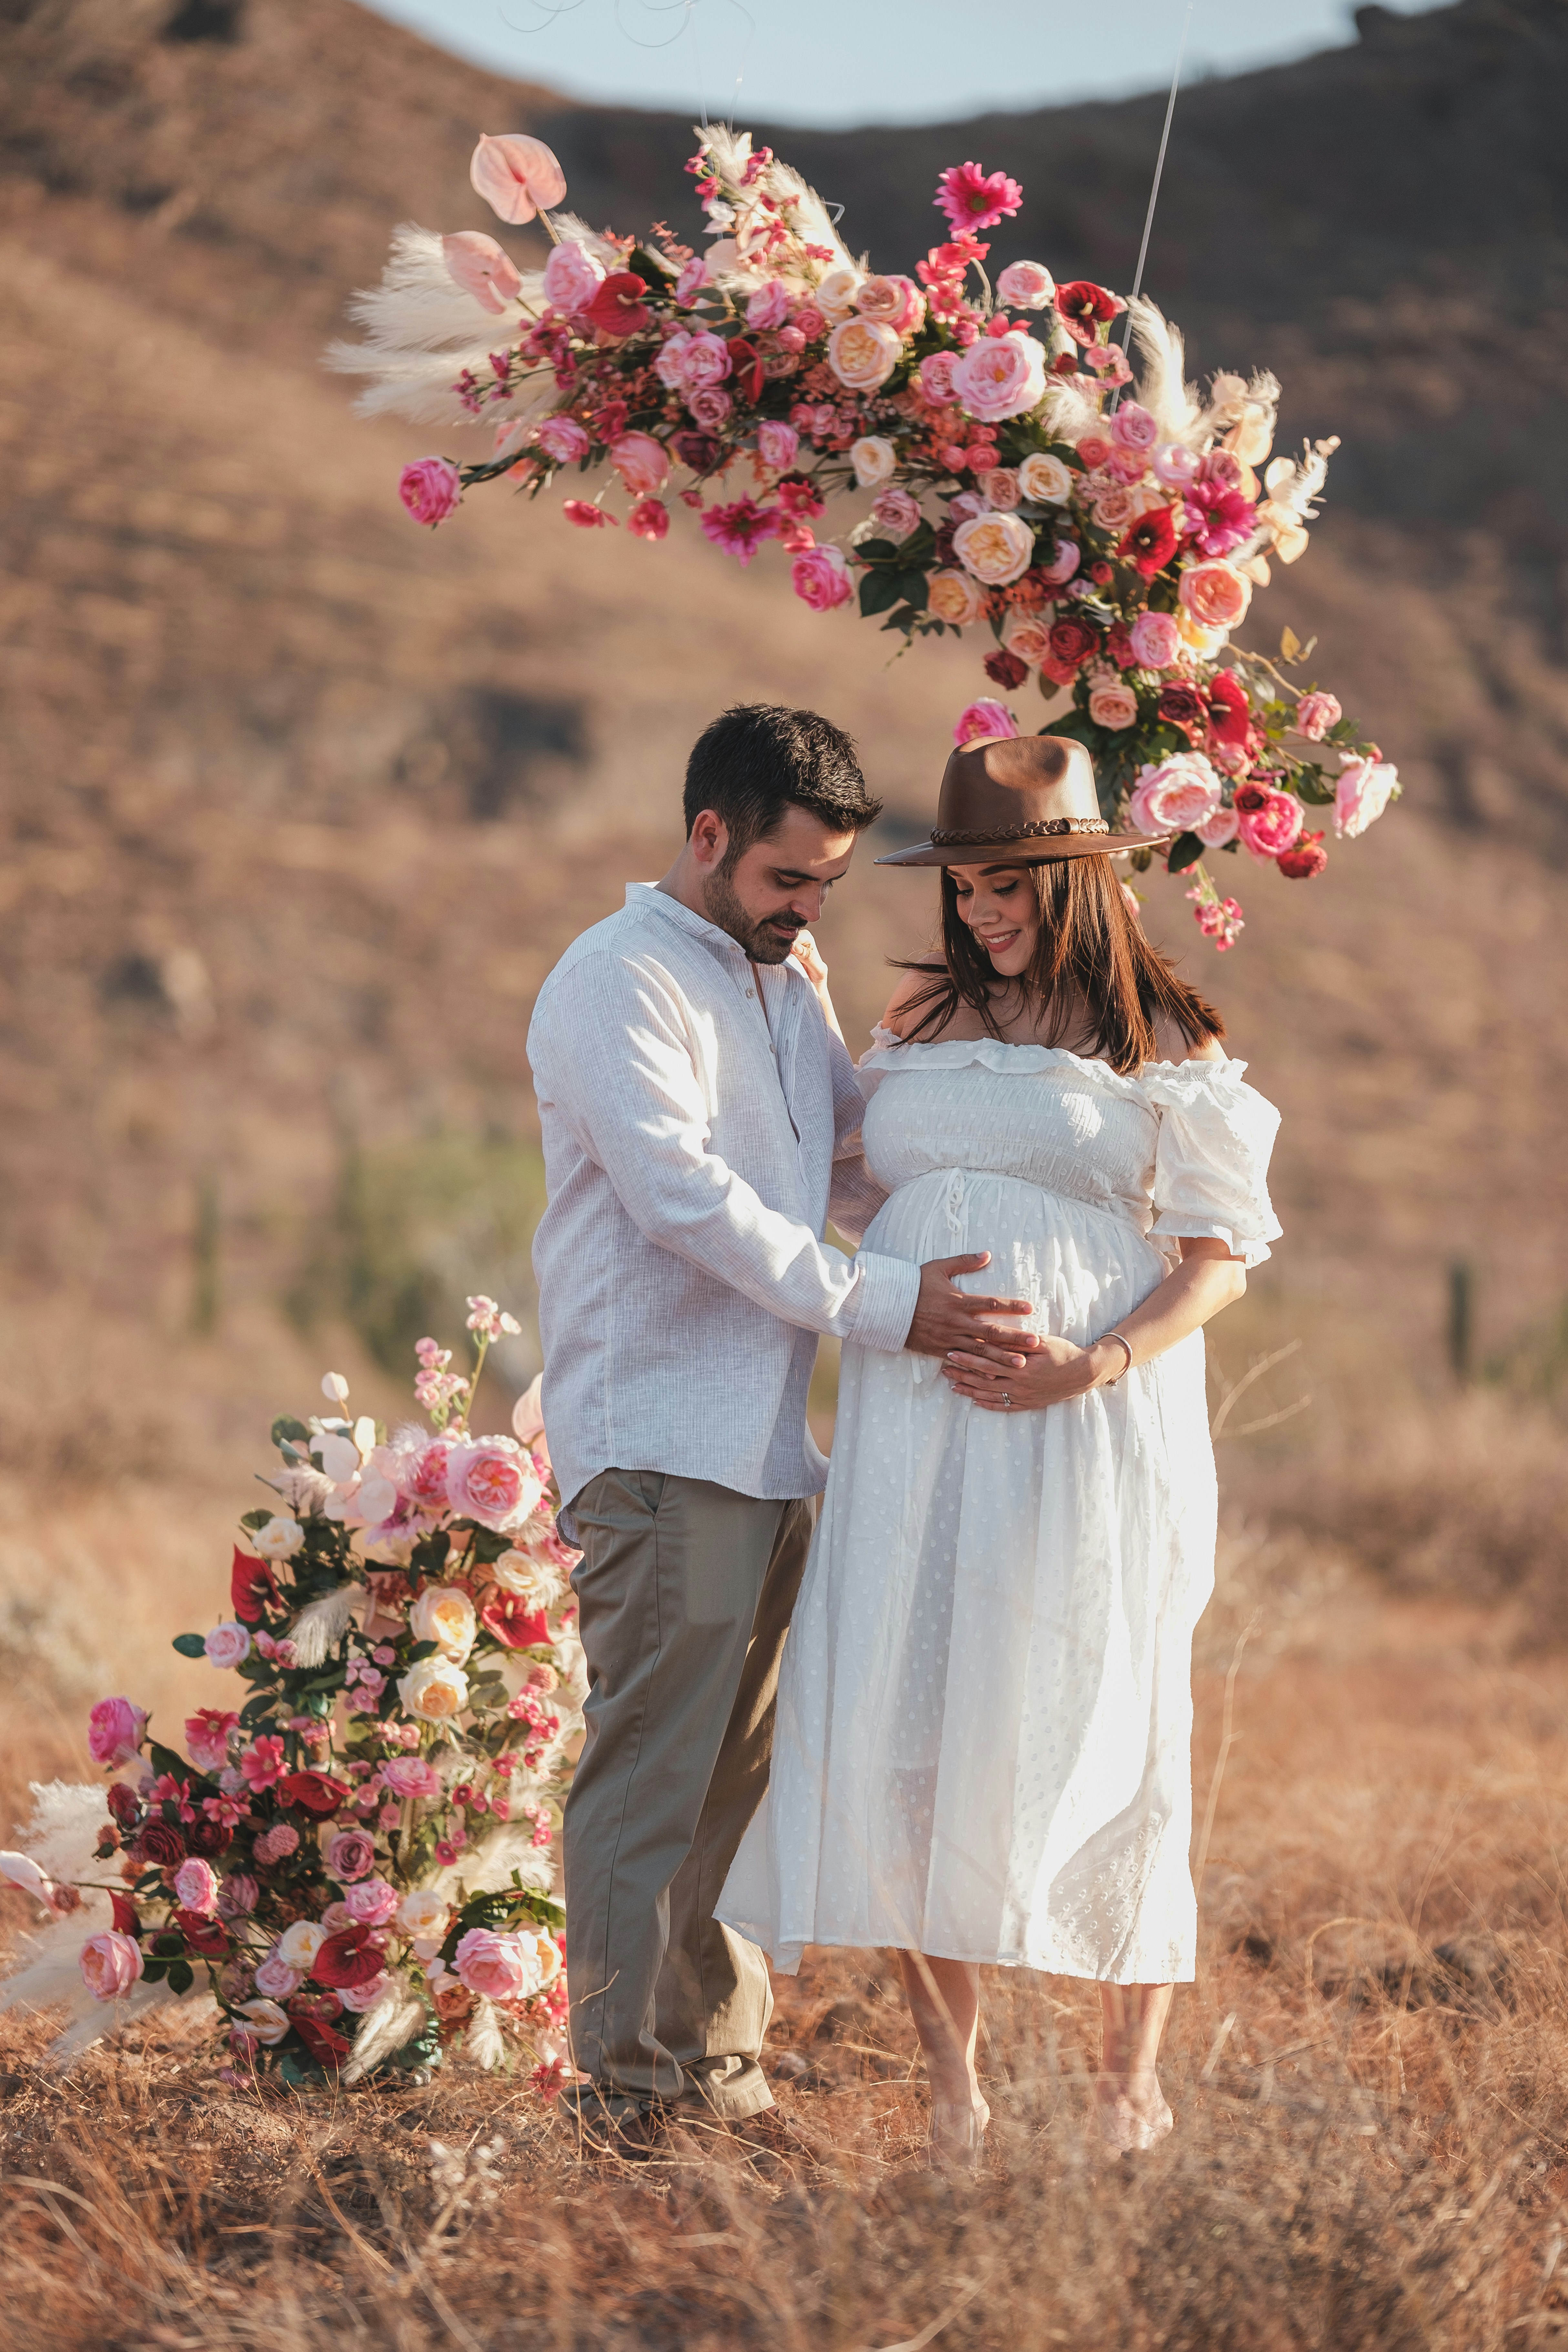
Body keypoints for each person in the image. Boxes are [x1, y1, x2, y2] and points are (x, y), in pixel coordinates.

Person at [717, 731, 1283, 2165]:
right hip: (918, 1416)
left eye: (1005, 886)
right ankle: (954, 2093)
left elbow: (1217, 1259)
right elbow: (852, 1183)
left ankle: (1125, 2089)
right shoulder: (915, 1019)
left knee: (1109, 1713)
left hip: (1088, 1418)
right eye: (962, 887)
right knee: (911, 1718)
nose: (978, 911)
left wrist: (1091, 1363)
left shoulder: (1159, 1039)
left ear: (1073, 878)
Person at [526, 703, 1041, 2151]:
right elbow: (685, 1202)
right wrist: (890, 1305)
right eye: (788, 878)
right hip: (657, 1445)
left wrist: (1017, 1225)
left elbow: (852, 1167)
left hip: (764, 1453)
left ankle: (715, 2072)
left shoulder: (778, 977)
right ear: (709, 835)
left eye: (827, 882)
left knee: (731, 1791)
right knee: (652, 1777)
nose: (812, 907)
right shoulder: (616, 981)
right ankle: (625, 2100)